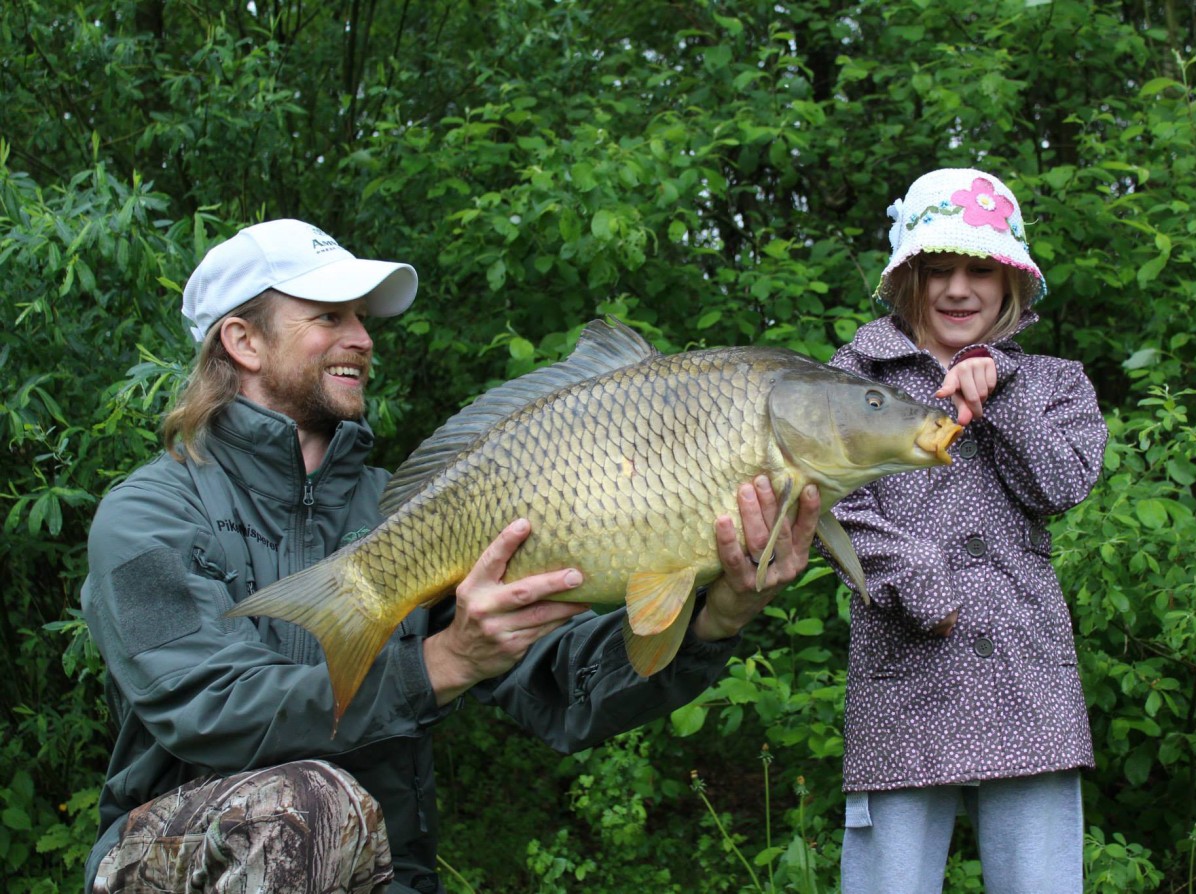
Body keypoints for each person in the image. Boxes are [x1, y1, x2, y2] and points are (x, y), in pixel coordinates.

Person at [80, 218, 822, 894]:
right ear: (244, 342)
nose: (362, 339)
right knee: (307, 804)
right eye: (330, 317)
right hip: (179, 862)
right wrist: (441, 664)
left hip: (385, 872)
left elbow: (564, 690)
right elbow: (208, 711)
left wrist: (714, 621)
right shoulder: (146, 518)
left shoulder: (399, 512)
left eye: (362, 319)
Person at [827, 169, 1109, 893]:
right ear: (907, 278)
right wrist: (920, 582)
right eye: (938, 270)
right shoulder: (854, 377)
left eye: (979, 269)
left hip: (1024, 676)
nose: (958, 289)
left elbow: (1062, 484)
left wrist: (1000, 394)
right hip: (904, 676)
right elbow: (834, 505)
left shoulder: (1053, 383)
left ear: (1010, 279)